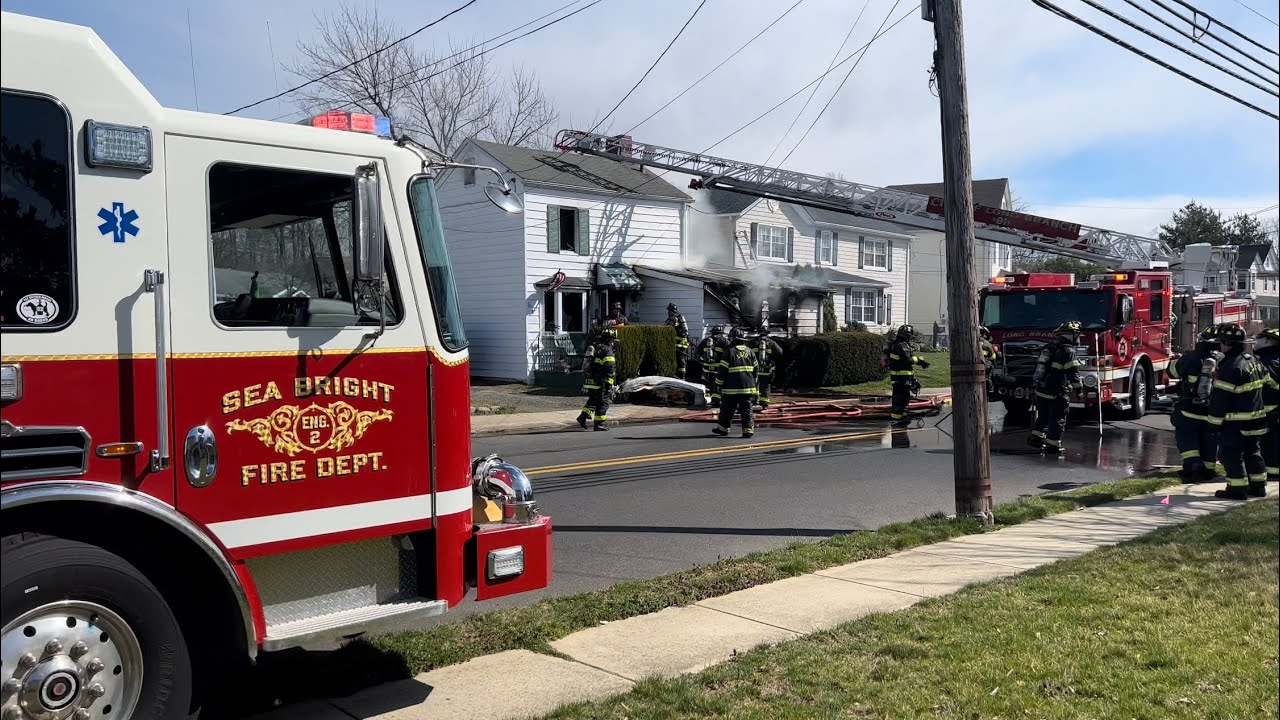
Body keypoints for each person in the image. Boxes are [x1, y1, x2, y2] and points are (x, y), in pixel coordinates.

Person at [1207, 322, 1268, 499]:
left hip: (1236, 422)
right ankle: (1258, 487)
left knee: (1229, 453)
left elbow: (1220, 401)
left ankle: (1237, 489)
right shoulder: (1253, 362)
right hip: (1257, 419)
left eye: (1222, 342)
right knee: (1253, 452)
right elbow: (1269, 382)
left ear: (1226, 344)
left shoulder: (1230, 368)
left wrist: (1213, 424)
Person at [1167, 326, 1222, 481]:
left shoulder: (1191, 357)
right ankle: (1209, 469)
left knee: (1187, 436)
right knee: (1210, 440)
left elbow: (1172, 371)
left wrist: (1178, 359)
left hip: (1189, 408)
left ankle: (1192, 465)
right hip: (1212, 411)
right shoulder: (1225, 360)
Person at [1028, 320, 1083, 455]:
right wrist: (1079, 389)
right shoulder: (1068, 351)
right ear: (1072, 335)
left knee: (1043, 415)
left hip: (1041, 389)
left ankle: (1036, 438)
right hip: (1057, 390)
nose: (1079, 338)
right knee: (1057, 418)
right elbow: (1073, 372)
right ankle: (1053, 445)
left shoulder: (1049, 347)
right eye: (1078, 335)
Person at [713, 327, 758, 438]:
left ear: (732, 338)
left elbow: (722, 371)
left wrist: (718, 384)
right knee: (746, 409)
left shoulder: (729, 352)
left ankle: (723, 428)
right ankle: (747, 430)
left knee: (727, 408)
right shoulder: (750, 351)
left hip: (731, 388)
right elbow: (756, 370)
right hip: (748, 387)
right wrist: (754, 384)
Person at [886, 325, 930, 428]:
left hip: (902, 378)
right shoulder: (901, 345)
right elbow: (908, 360)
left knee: (904, 399)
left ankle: (902, 419)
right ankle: (897, 422)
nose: (910, 337)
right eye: (909, 335)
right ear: (906, 335)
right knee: (900, 400)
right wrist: (919, 361)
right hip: (901, 378)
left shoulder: (898, 344)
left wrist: (913, 378)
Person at [577, 327, 617, 431]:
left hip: (591, 380)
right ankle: (599, 424)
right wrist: (609, 383)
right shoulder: (607, 350)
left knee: (593, 400)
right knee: (603, 403)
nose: (613, 342)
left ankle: (582, 417)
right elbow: (610, 367)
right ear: (609, 339)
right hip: (601, 381)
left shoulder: (597, 347)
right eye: (613, 340)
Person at [1255, 327, 1280, 483]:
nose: (1256, 341)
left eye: (1260, 338)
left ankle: (1273, 473)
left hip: (1270, 413)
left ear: (1269, 341)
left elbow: (1264, 387)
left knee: (1271, 445)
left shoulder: (1268, 363)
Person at [752, 328, 784, 409]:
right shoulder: (771, 342)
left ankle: (754, 401)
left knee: (754, 384)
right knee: (765, 385)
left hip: (755, 368)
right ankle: (764, 403)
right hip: (766, 368)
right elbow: (780, 352)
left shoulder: (753, 342)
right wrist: (772, 359)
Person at [697, 324, 728, 407]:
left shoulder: (705, 341)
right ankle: (716, 401)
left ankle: (707, 400)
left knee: (707, 385)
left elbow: (697, 353)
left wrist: (702, 360)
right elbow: (729, 354)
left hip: (706, 368)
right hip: (718, 368)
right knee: (717, 385)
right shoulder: (724, 341)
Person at [666, 303, 690, 379]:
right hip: (682, 343)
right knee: (679, 359)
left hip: (678, 343)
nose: (668, 312)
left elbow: (670, 328)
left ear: (671, 311)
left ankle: (680, 376)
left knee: (679, 359)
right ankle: (680, 375)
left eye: (669, 310)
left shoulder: (674, 318)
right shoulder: (680, 317)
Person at [979, 325, 1000, 393]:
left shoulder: (970, 341)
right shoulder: (987, 344)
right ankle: (990, 389)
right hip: (985, 366)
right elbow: (993, 357)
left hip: (973, 366)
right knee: (989, 375)